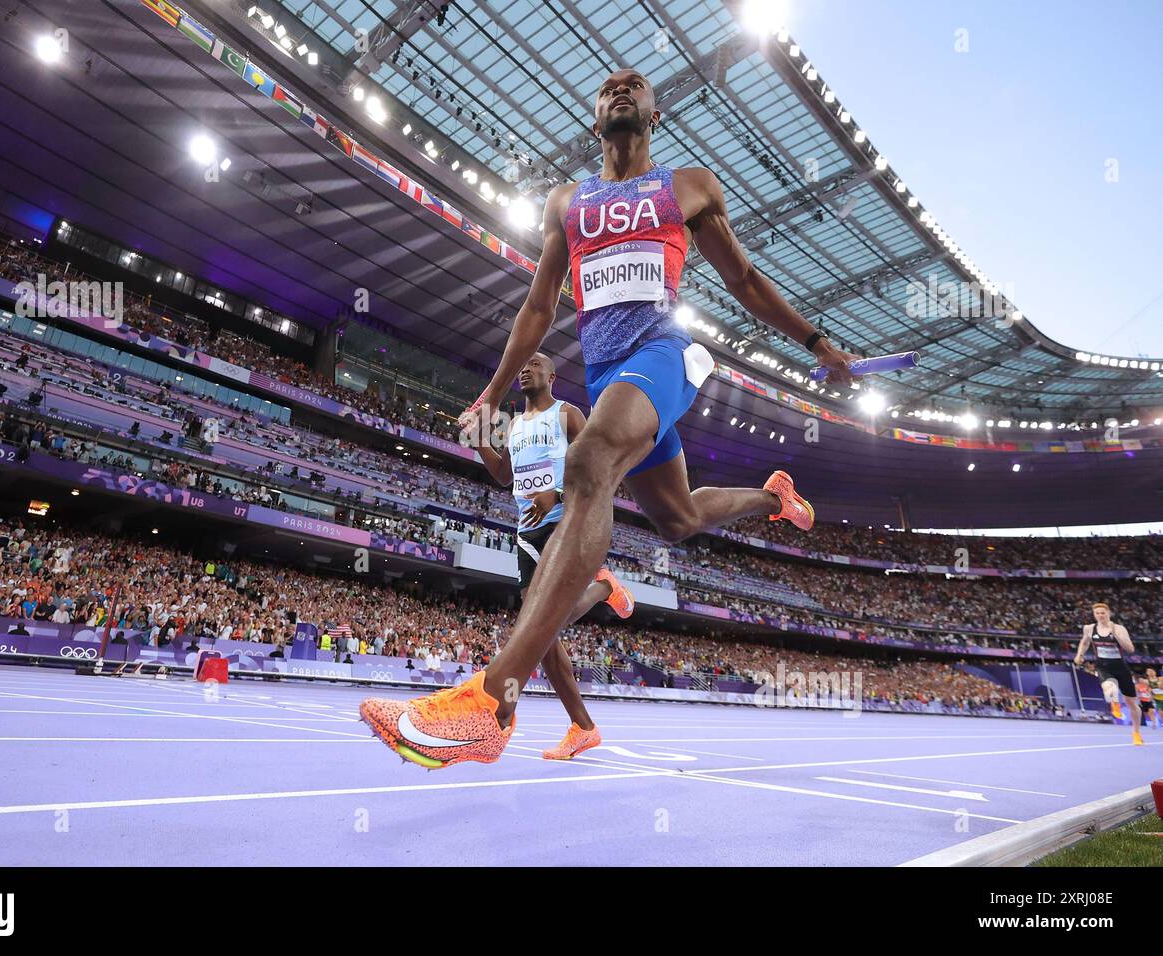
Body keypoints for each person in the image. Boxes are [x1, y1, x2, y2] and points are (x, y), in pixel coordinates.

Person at [360, 67, 856, 769]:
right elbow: (539, 306)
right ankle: (773, 496)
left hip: (665, 353)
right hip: (610, 374)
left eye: (635, 84)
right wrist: (491, 393)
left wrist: (816, 343)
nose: (622, 87)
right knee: (677, 518)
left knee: (587, 465)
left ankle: (490, 700)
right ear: (595, 119)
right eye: (608, 86)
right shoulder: (567, 201)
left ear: (654, 114)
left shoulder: (689, 186)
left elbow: (743, 280)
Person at [474, 350, 634, 760]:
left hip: (568, 522)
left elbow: (597, 470)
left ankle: (602, 586)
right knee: (541, 638)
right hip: (526, 530)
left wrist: (557, 494)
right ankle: (582, 727)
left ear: (552, 375)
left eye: (535, 363)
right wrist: (478, 444)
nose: (525, 369)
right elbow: (505, 475)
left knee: (537, 626)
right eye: (521, 365)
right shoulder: (513, 426)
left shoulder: (568, 415)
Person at [1074, 602, 1143, 746]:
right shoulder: (1089, 628)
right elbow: (1085, 642)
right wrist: (1080, 654)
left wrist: (1116, 636)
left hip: (1120, 667)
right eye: (1097, 613)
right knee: (1108, 686)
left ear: (1109, 613)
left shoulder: (1119, 628)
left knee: (1131, 703)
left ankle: (1136, 732)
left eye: (1103, 613)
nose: (1100, 615)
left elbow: (1130, 649)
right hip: (1103, 666)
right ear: (1094, 614)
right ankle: (1114, 702)